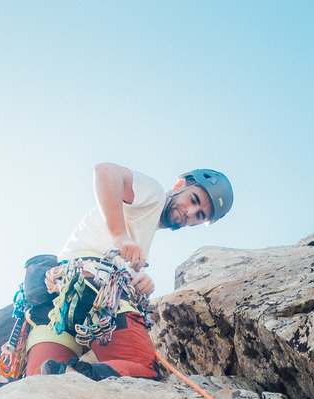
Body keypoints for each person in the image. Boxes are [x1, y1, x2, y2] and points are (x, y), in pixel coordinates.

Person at [18, 162, 233, 380]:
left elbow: (110, 247)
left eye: (200, 215)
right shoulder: (155, 194)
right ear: (180, 185)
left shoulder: (143, 225)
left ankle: (59, 378)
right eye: (193, 200)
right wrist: (119, 236)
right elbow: (105, 171)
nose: (190, 212)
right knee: (141, 369)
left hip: (56, 299)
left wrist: (138, 281)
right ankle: (74, 376)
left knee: (41, 383)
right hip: (94, 289)